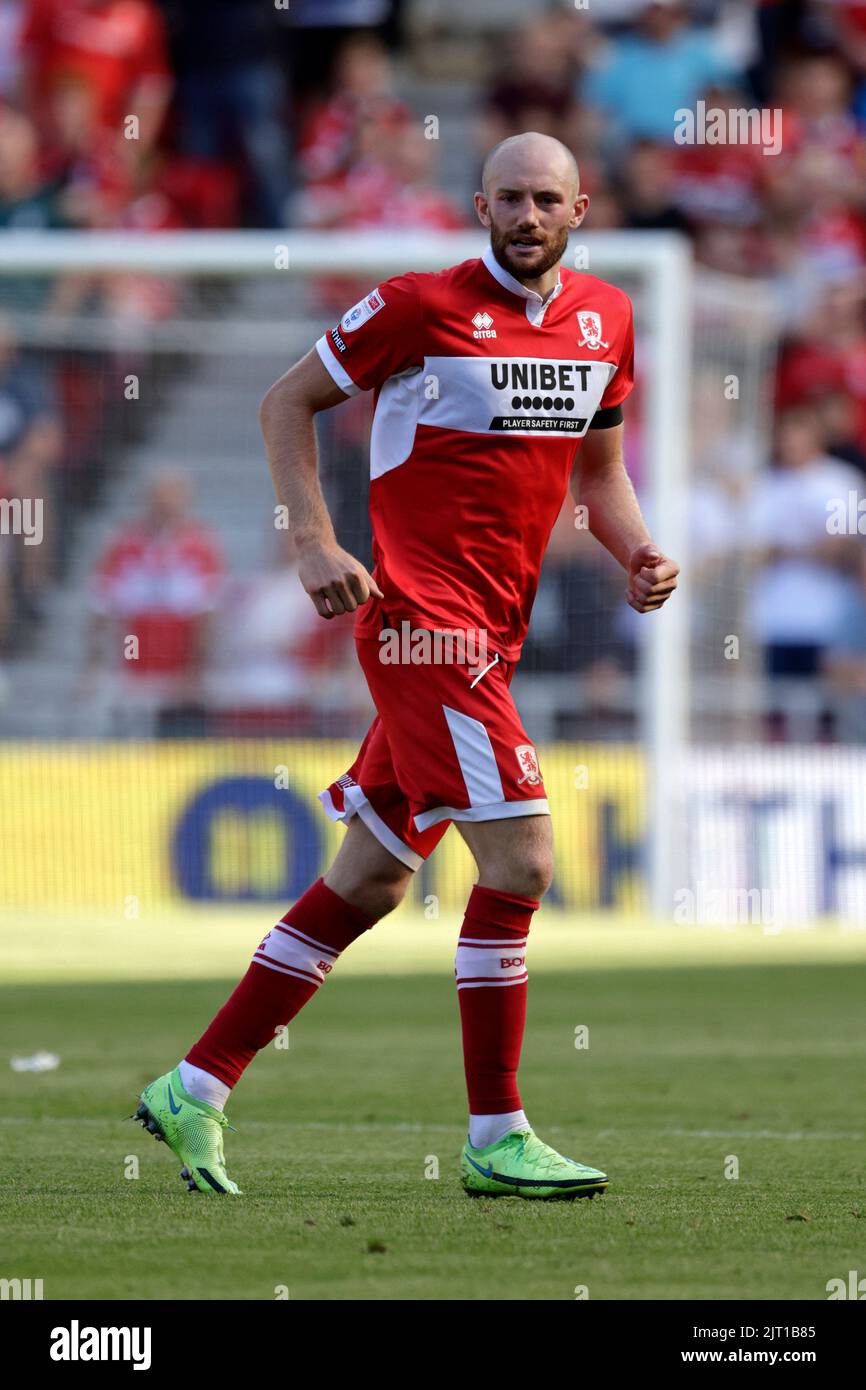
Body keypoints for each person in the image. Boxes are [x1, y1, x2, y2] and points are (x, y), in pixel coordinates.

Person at [134, 131, 680, 1199]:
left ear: (580, 210)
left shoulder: (605, 322)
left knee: (370, 880)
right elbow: (282, 401)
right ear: (479, 207)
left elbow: (599, 473)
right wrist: (310, 539)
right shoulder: (415, 308)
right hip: (424, 627)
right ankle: (495, 1132)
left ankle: (193, 1086)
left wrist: (637, 550)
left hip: (495, 632)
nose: (527, 216)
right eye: (509, 198)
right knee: (520, 864)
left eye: (547, 201)